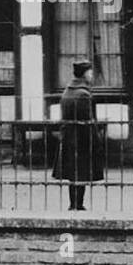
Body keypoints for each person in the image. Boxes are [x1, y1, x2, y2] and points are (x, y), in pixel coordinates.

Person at [52, 58, 104, 210]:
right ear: (85, 73)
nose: (92, 75)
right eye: (90, 72)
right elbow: (88, 121)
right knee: (81, 172)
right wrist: (96, 140)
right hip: (81, 139)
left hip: (68, 137)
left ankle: (74, 203)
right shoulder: (83, 94)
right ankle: (78, 204)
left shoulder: (68, 91)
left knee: (73, 174)